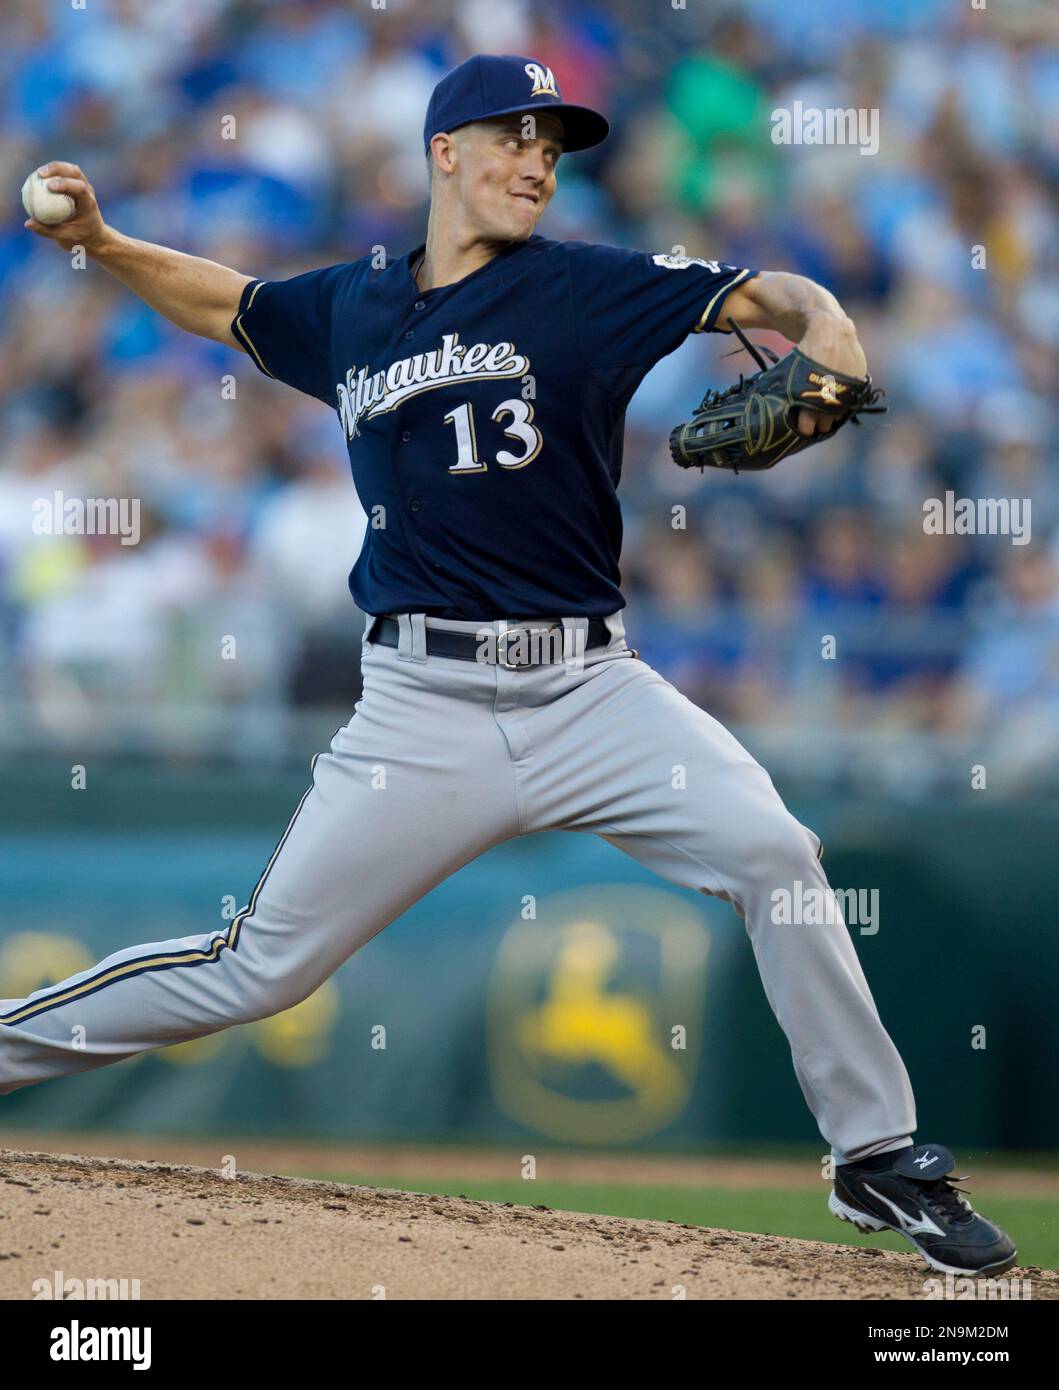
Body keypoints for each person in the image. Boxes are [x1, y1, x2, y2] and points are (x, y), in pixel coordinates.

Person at [5, 54, 1015, 1277]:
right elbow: (231, 304)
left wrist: (835, 329)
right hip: (420, 712)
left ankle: (874, 1151)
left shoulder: (591, 286)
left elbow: (774, 294)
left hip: (595, 692)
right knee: (257, 969)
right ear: (444, 152)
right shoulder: (355, 304)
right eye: (511, 136)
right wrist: (107, 242)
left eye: (552, 142)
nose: (536, 159)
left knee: (779, 857)